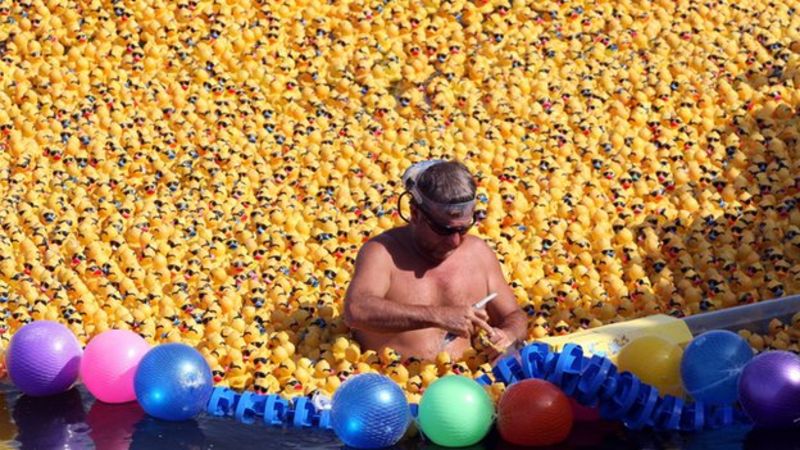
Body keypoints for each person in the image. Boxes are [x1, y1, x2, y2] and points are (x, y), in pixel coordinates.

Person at [344, 160, 527, 361]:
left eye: (463, 229)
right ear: (415, 213)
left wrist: (509, 335)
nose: (455, 241)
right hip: (394, 383)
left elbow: (514, 315)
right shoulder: (382, 253)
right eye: (444, 230)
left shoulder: (478, 253)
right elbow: (356, 309)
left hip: (467, 382)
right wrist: (438, 316)